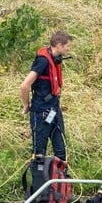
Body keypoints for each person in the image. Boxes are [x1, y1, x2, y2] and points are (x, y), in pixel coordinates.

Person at [20, 31, 72, 165]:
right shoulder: (42, 62)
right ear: (59, 45)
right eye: (67, 46)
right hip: (41, 114)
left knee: (61, 152)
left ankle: (60, 183)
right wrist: (26, 106)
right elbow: (24, 86)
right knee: (39, 154)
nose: (68, 49)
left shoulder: (56, 59)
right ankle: (39, 183)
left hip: (54, 111)